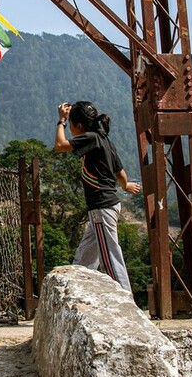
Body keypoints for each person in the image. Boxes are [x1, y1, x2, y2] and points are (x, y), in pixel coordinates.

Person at [54, 99, 141, 294]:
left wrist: (61, 121)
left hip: (102, 207)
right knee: (85, 257)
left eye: (71, 125)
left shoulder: (90, 138)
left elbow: (60, 145)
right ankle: (76, 292)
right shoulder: (104, 139)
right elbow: (120, 172)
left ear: (79, 126)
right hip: (106, 207)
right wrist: (125, 185)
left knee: (110, 258)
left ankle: (124, 298)